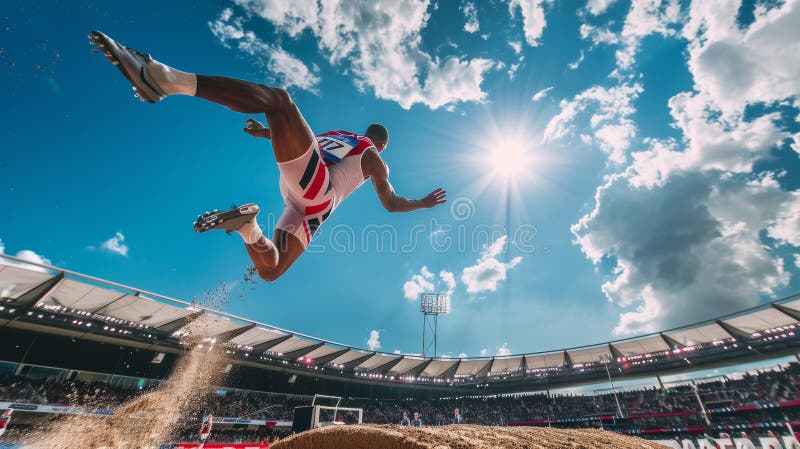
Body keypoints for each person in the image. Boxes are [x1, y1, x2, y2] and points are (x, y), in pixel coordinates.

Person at [89, 30, 447, 282]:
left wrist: (265, 132)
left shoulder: (335, 135)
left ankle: (249, 229)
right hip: (315, 198)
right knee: (280, 100)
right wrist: (423, 203)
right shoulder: (373, 157)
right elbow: (392, 203)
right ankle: (165, 79)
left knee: (271, 269)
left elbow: (298, 143)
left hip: (302, 192)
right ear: (381, 144)